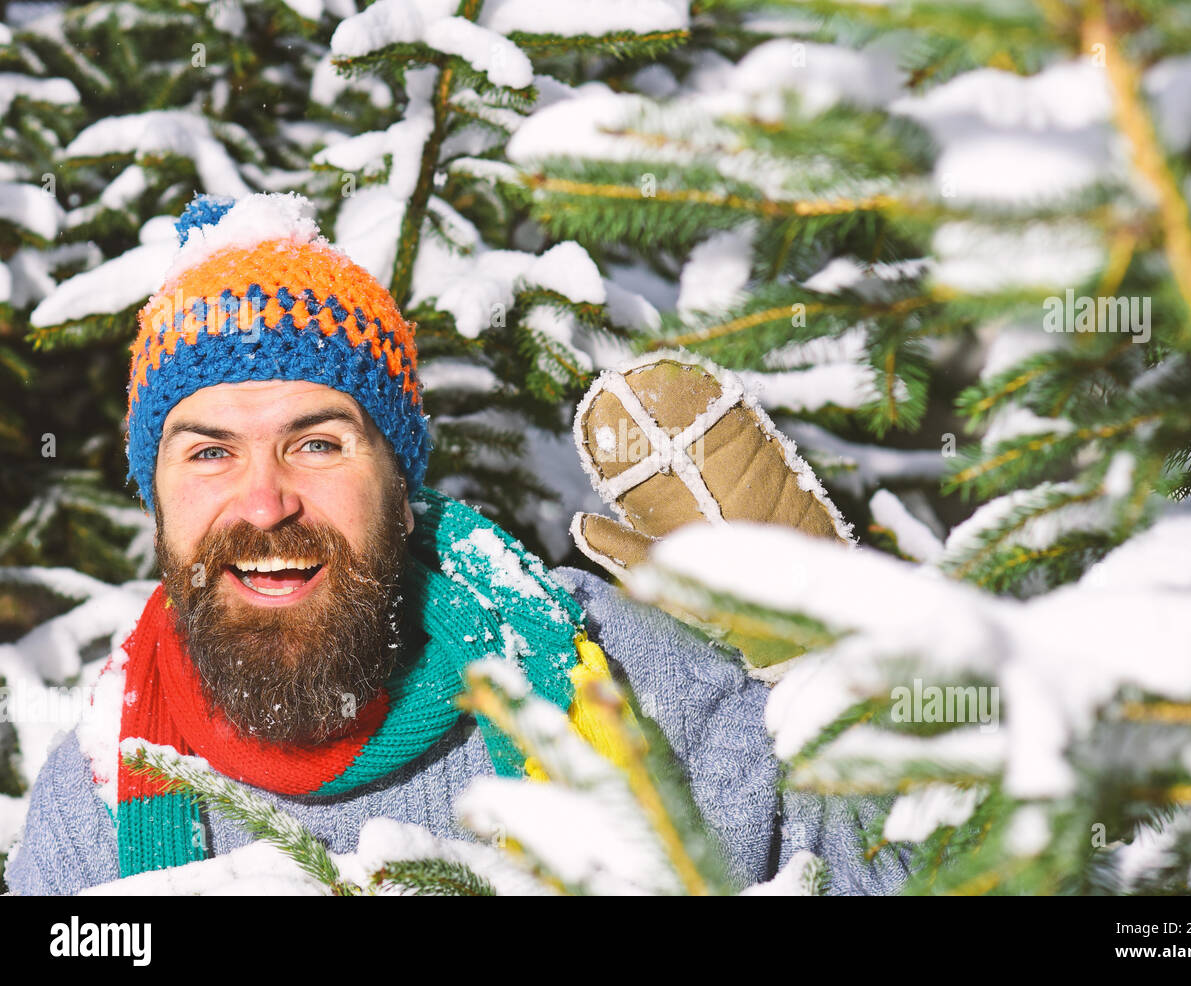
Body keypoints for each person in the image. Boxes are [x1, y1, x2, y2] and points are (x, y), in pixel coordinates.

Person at [5, 192, 908, 896]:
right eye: (208, 452)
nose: (265, 501)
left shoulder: (617, 673)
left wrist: (841, 682)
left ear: (401, 491)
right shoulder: (98, 793)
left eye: (318, 442)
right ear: (155, 502)